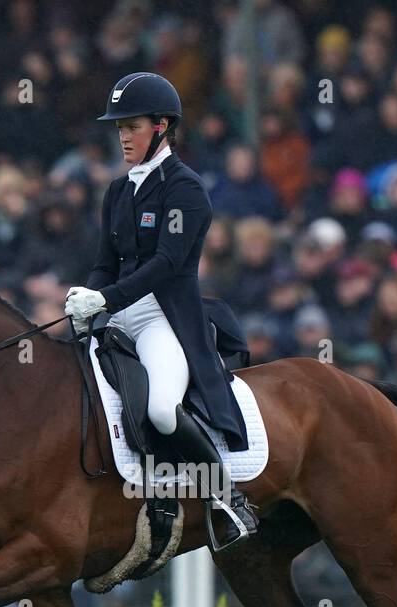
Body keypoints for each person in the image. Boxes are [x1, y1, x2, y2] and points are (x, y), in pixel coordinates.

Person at [65, 72, 257, 550]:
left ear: (162, 126)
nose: (123, 136)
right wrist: (85, 299)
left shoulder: (184, 188)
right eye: (119, 128)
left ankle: (228, 500)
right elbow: (104, 264)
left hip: (161, 318)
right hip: (117, 316)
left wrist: (106, 299)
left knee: (162, 409)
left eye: (132, 126)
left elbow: (168, 263)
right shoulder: (117, 192)